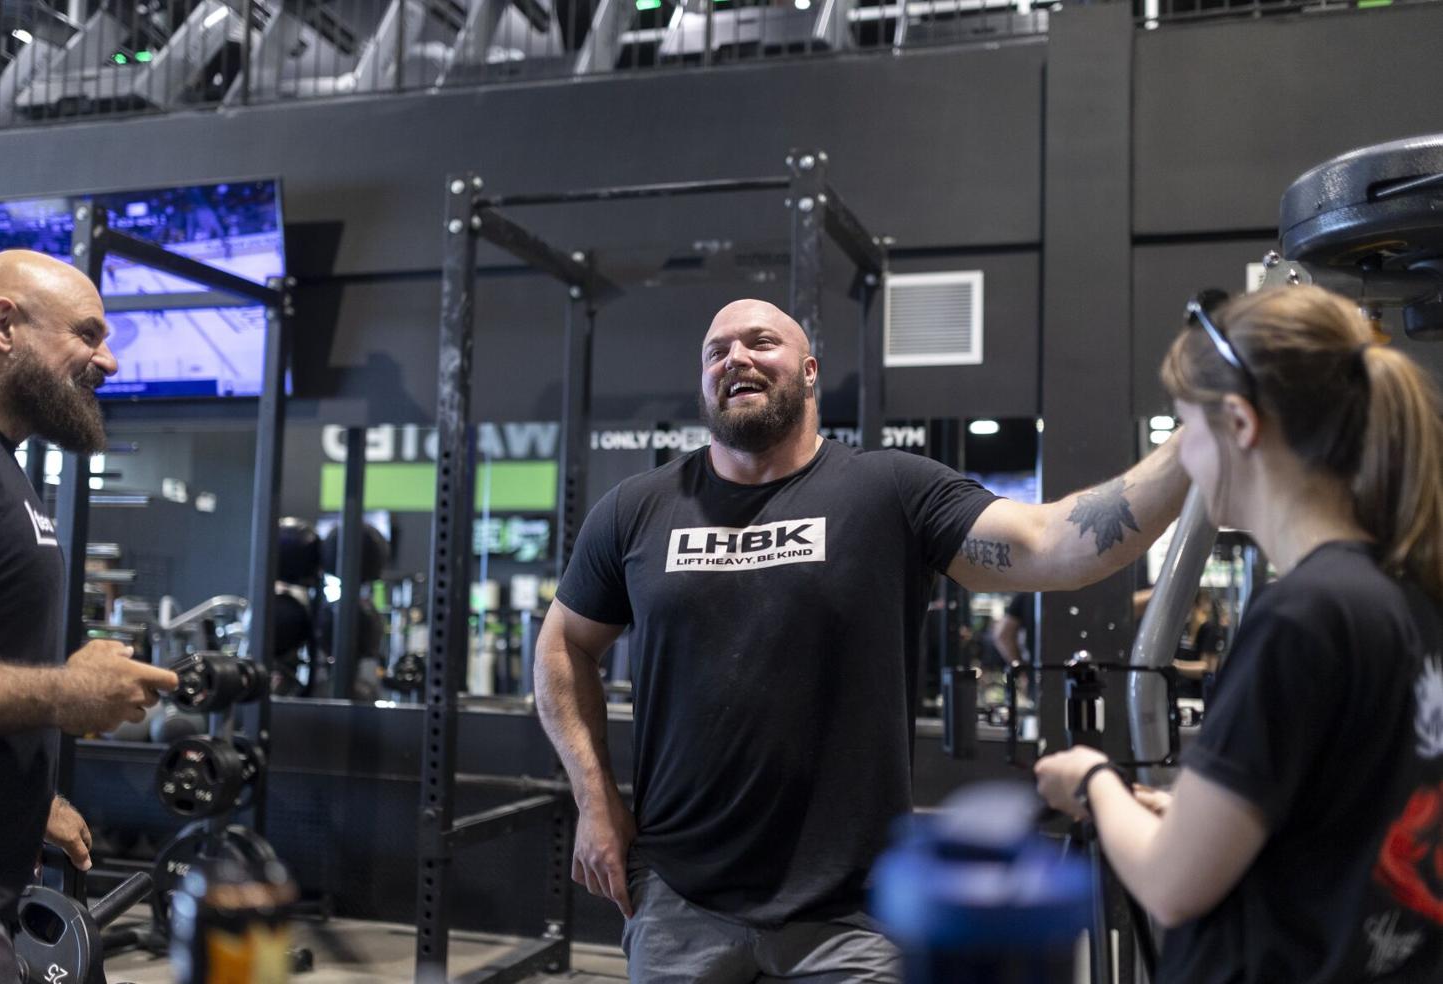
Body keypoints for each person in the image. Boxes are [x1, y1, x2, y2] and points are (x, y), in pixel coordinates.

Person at [535, 297, 1190, 983]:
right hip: (680, 904)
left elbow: (1054, 545)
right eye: (716, 350)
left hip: (853, 919)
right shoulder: (638, 510)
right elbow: (562, 647)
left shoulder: (890, 491)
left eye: (761, 342)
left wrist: (1194, 437)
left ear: (809, 371)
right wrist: (595, 800)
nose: (736, 358)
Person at [1035, 285, 1443, 982]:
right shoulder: (1404, 595)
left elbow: (1170, 884)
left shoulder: (1302, 617)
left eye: (1184, 429)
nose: (1185, 458)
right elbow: (1345, 820)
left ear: (1240, 425)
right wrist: (1192, 816)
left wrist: (1095, 784)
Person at [0, 250, 180, 975]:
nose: (108, 361)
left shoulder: (1, 462)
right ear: (3, 325)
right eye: (88, 335)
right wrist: (66, 693)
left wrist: (30, 801)